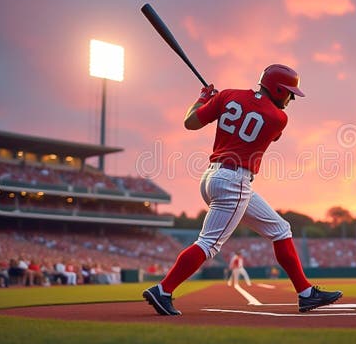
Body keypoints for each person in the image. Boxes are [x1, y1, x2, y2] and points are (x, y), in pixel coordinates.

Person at [142, 64, 342, 315]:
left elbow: (190, 123)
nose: (291, 99)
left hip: (213, 176)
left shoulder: (227, 95)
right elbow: (269, 130)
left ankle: (305, 293)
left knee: (280, 229)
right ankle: (163, 290)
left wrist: (205, 100)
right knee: (209, 243)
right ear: (278, 90)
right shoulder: (279, 119)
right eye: (290, 94)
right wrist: (227, 105)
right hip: (234, 181)